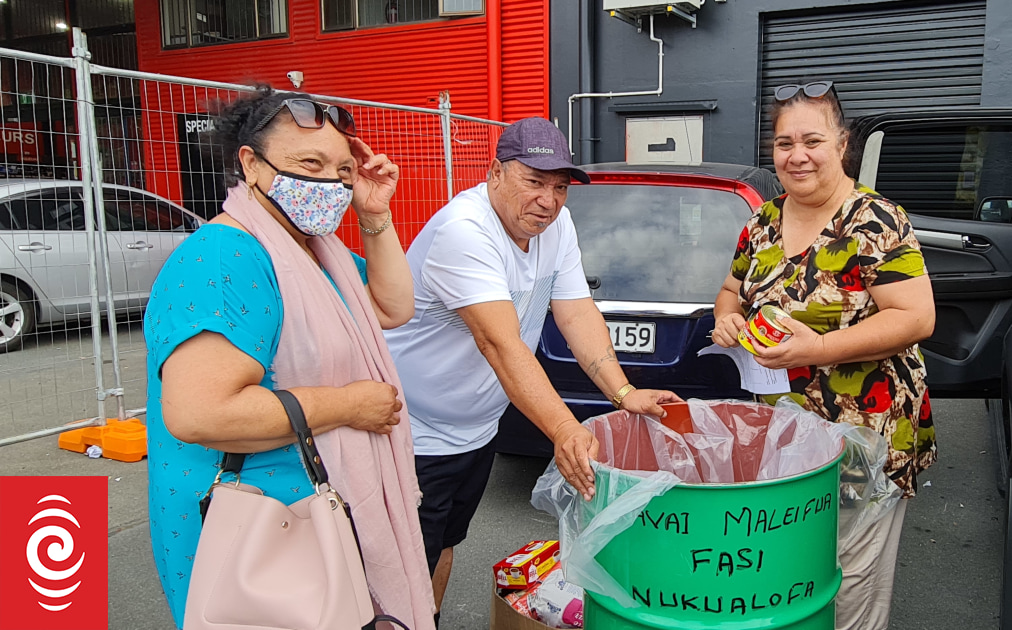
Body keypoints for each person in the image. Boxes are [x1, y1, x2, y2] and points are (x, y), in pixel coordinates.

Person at [144, 87, 435, 629]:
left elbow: (393, 307)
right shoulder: (223, 258)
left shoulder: (313, 250)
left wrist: (374, 213)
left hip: (316, 513)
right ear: (251, 165)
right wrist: (348, 404)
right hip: (262, 526)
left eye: (343, 169)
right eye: (310, 163)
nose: (330, 182)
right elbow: (200, 414)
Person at [383, 117, 682, 619]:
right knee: (401, 564)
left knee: (444, 544)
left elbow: (576, 311)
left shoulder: (555, 226)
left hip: (475, 429)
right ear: (495, 172)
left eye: (560, 187)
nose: (549, 199)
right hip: (414, 433)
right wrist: (565, 429)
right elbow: (500, 344)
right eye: (534, 181)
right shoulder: (464, 231)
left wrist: (623, 391)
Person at [711, 81, 937, 630]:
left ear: (842, 145)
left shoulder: (876, 220)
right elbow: (728, 291)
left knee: (852, 577)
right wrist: (726, 320)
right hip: (784, 431)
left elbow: (916, 318)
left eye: (812, 140)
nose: (797, 155)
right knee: (794, 564)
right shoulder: (761, 222)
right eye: (785, 142)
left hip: (866, 431)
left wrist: (818, 349)